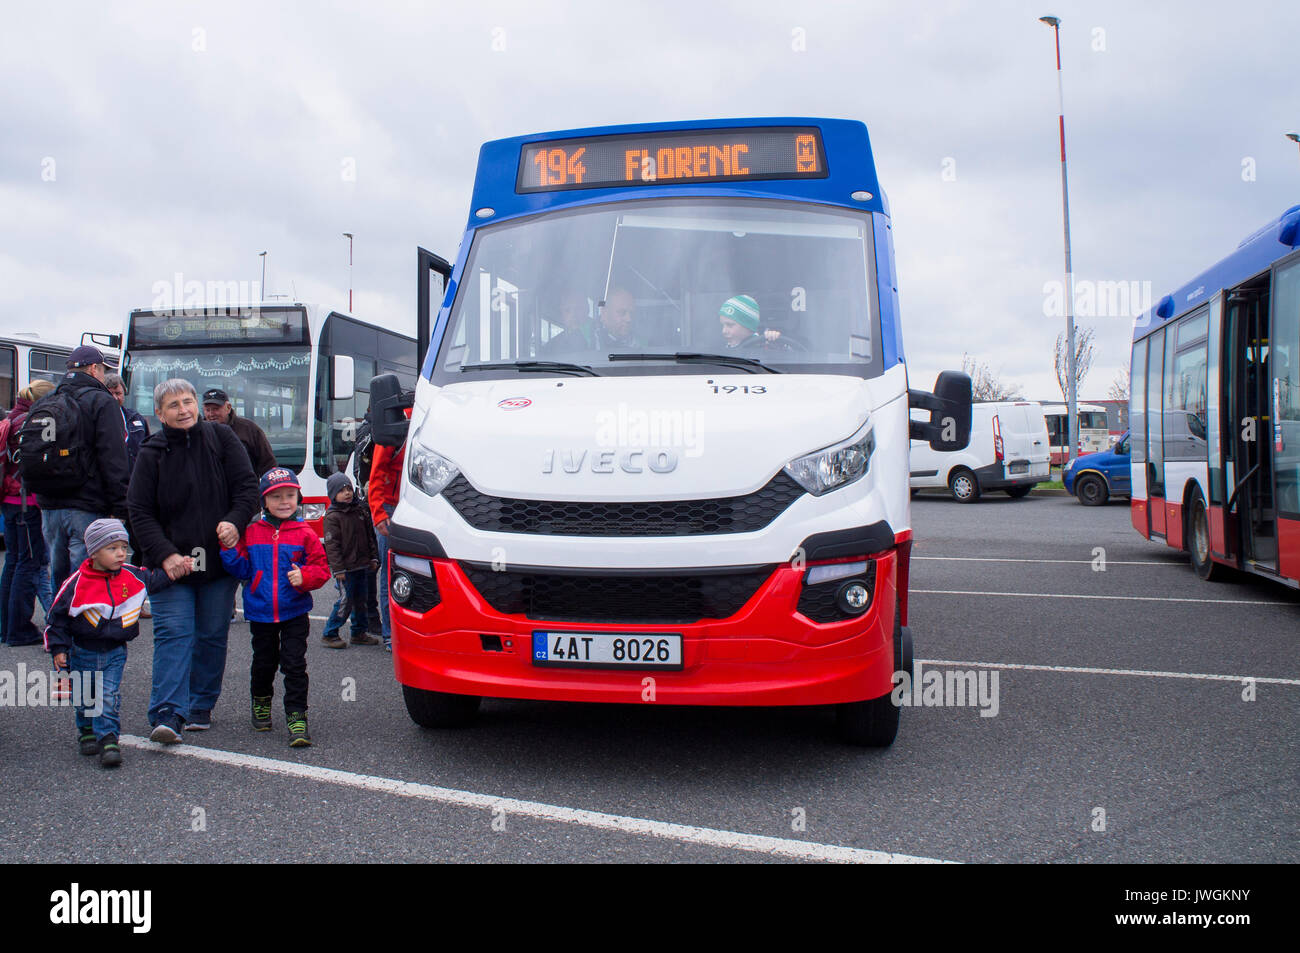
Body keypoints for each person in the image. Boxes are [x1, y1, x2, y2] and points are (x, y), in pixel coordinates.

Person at [128, 378, 260, 743]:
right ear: (159, 413)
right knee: (174, 633)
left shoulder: (222, 439)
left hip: (217, 563)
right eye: (173, 405)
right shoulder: (151, 452)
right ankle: (168, 712)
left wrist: (235, 522)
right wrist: (165, 554)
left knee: (212, 633)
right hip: (171, 565)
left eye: (188, 401)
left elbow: (248, 489)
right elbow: (138, 510)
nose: (183, 409)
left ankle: (201, 703)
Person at [44, 518, 176, 768]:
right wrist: (59, 649)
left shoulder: (131, 575)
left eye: (123, 548)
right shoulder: (76, 583)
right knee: (84, 698)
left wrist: (180, 568)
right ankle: (86, 730)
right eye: (112, 548)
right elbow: (56, 618)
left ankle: (108, 739)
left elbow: (155, 579)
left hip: (115, 651)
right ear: (94, 552)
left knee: (107, 695)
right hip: (81, 651)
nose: (120, 554)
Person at [220, 467, 330, 747]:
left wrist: (305, 577)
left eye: (290, 495)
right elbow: (243, 568)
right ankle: (261, 701)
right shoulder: (252, 532)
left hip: (295, 611)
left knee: (294, 665)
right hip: (260, 613)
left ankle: (297, 716)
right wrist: (228, 549)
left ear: (298, 497)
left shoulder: (305, 533)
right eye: (276, 496)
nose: (284, 502)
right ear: (264, 502)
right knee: (264, 663)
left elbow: (321, 568)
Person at [26, 345, 130, 594]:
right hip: (87, 505)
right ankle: (82, 631)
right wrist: (120, 507)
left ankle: (58, 628)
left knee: (59, 579)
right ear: (94, 368)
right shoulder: (102, 401)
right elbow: (113, 458)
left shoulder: (47, 400)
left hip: (49, 505)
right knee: (86, 577)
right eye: (103, 370)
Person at [0, 379, 55, 645]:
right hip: (28, 502)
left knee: (13, 562)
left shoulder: (12, 416)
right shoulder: (33, 420)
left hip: (8, 500)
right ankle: (19, 630)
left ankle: (6, 626)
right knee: (30, 563)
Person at [321, 472, 379, 649]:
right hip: (345, 569)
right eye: (341, 490)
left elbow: (370, 537)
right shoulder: (332, 517)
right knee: (345, 601)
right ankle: (330, 633)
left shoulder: (360, 511)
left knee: (362, 600)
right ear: (333, 494)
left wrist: (374, 557)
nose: (347, 493)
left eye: (348, 489)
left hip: (362, 565)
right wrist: (338, 570)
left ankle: (359, 632)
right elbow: (332, 546)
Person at [368, 414, 409, 653]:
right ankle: (390, 634)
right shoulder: (396, 424)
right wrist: (379, 512)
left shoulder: (433, 419)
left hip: (417, 506)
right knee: (391, 572)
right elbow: (377, 472)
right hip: (391, 509)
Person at [201, 388, 277, 477]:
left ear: (228, 407)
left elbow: (268, 466)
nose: (211, 414)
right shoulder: (197, 433)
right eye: (207, 410)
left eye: (215, 409)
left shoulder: (249, 429)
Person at [104, 373, 149, 472]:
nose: (115, 398)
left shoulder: (136, 419)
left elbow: (147, 451)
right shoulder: (99, 421)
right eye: (110, 394)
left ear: (124, 393)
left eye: (118, 393)